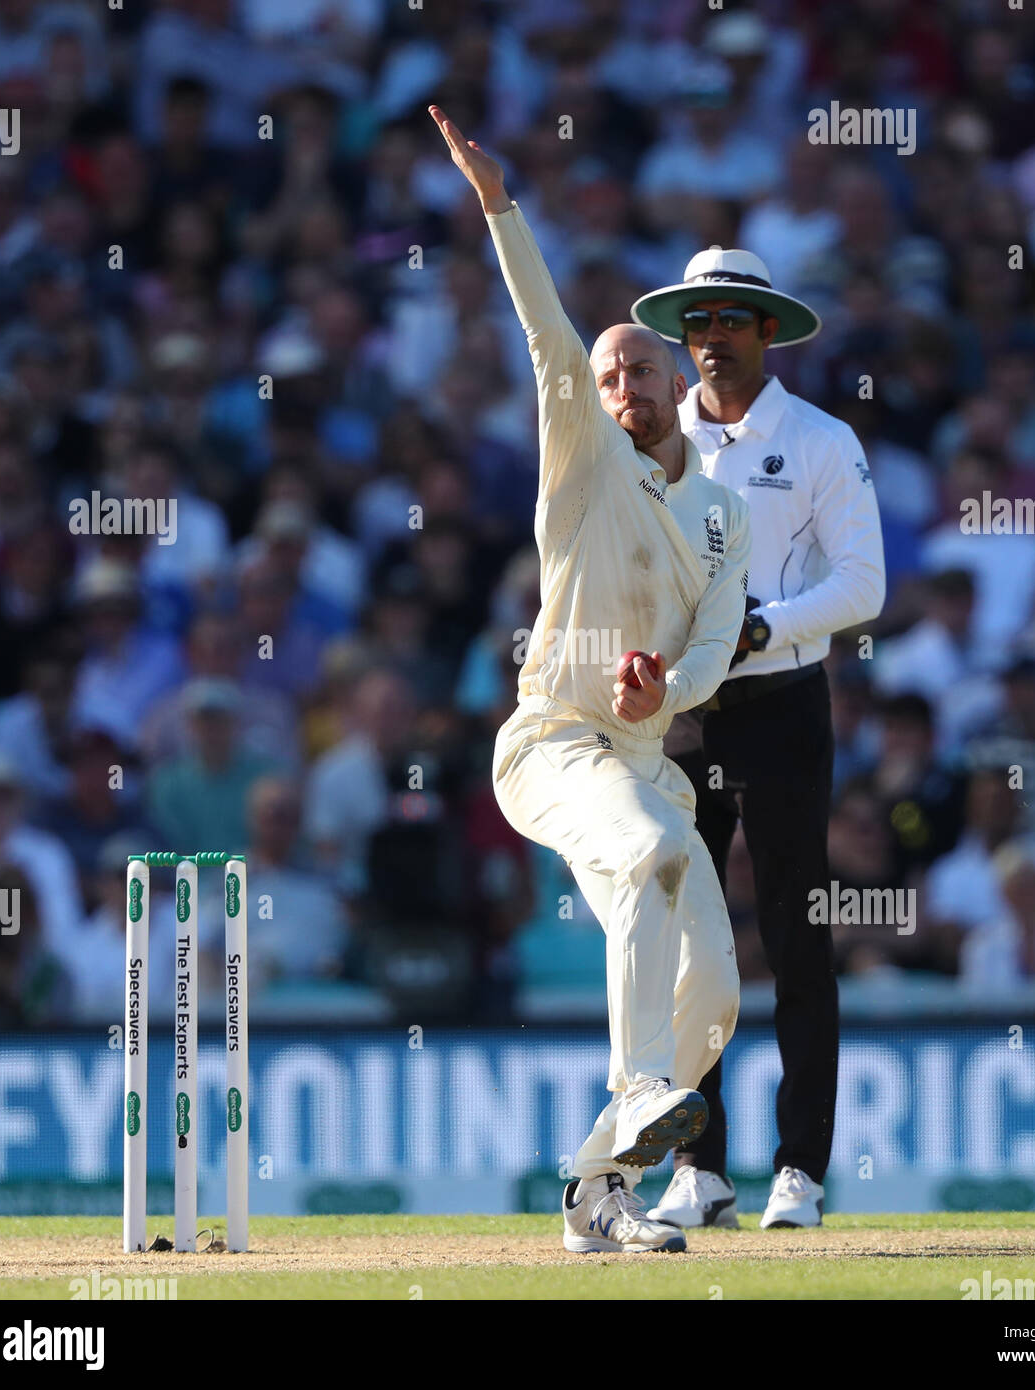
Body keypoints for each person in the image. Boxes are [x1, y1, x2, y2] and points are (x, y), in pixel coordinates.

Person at [430, 105, 750, 1255]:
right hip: (552, 741)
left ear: (675, 381)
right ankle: (635, 1088)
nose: (618, 380)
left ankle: (594, 1185)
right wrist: (498, 205)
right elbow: (544, 334)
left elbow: (715, 640)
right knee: (658, 856)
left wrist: (659, 695)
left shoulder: (720, 513)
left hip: (642, 753)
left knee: (712, 993)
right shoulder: (581, 455)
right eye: (606, 371)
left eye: (638, 366)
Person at [631, 242, 885, 1230]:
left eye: (730, 319)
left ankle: (800, 1170)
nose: (711, 339)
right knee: (688, 941)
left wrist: (761, 625)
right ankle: (699, 1165)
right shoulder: (649, 445)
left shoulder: (818, 439)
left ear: (766, 329)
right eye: (697, 322)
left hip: (779, 704)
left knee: (791, 932)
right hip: (686, 714)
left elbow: (863, 584)